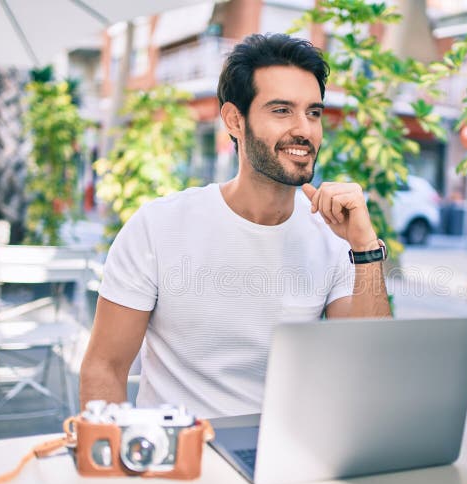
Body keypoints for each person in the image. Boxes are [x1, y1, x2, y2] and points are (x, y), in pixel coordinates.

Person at [79, 33, 391, 418]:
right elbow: (104, 368)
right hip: (182, 456)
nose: (305, 130)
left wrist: (364, 247)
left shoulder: (332, 236)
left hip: (289, 455)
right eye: (281, 111)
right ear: (234, 119)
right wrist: (119, 468)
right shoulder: (158, 226)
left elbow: (370, 368)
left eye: (313, 112)